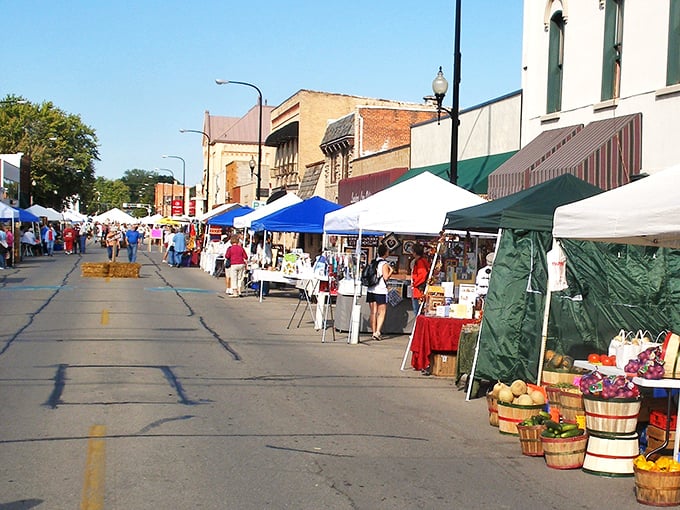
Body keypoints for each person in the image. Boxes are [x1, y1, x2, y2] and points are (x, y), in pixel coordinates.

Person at [366, 243, 394, 341]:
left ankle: (373, 332)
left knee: (373, 312)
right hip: (381, 290)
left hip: (371, 289)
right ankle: (378, 331)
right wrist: (391, 271)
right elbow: (386, 277)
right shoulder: (384, 264)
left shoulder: (373, 261)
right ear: (385, 253)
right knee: (381, 312)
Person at [410, 243, 431, 316]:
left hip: (418, 290)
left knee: (417, 312)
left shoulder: (420, 262)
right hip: (420, 290)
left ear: (415, 252)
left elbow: (422, 275)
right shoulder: (423, 261)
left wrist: (415, 283)